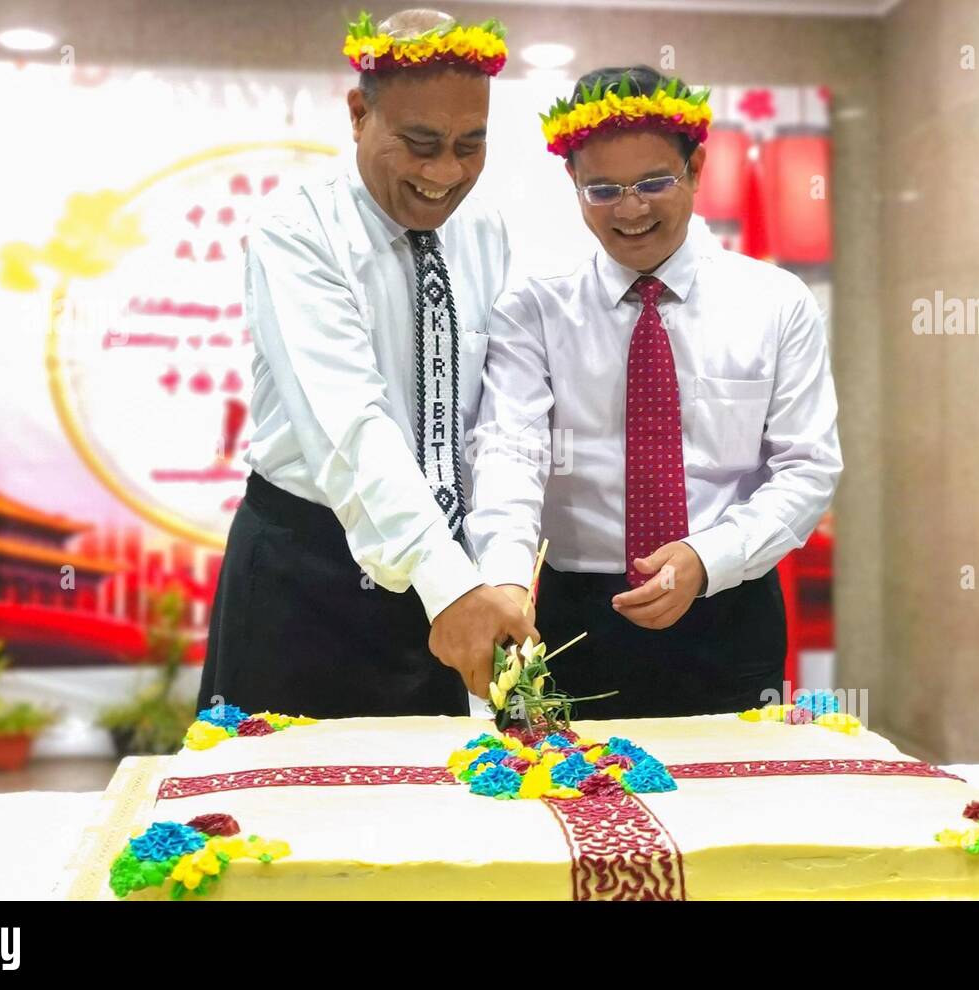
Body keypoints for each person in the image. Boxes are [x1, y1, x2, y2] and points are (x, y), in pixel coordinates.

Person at [466, 66, 842, 718]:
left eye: (653, 183)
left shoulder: (775, 304)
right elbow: (507, 450)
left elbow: (807, 469)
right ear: (574, 185)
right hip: (574, 618)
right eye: (603, 189)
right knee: (559, 798)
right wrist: (502, 581)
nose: (631, 209)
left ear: (696, 167)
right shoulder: (537, 307)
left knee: (735, 805)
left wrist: (708, 557)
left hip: (729, 606)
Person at [197, 9, 537, 719]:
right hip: (307, 579)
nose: (445, 173)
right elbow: (349, 421)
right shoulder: (298, 230)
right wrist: (446, 582)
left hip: (444, 575)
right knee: (285, 815)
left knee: (445, 815)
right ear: (358, 114)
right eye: (419, 144)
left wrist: (503, 572)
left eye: (469, 145)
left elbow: (504, 414)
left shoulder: (484, 231)